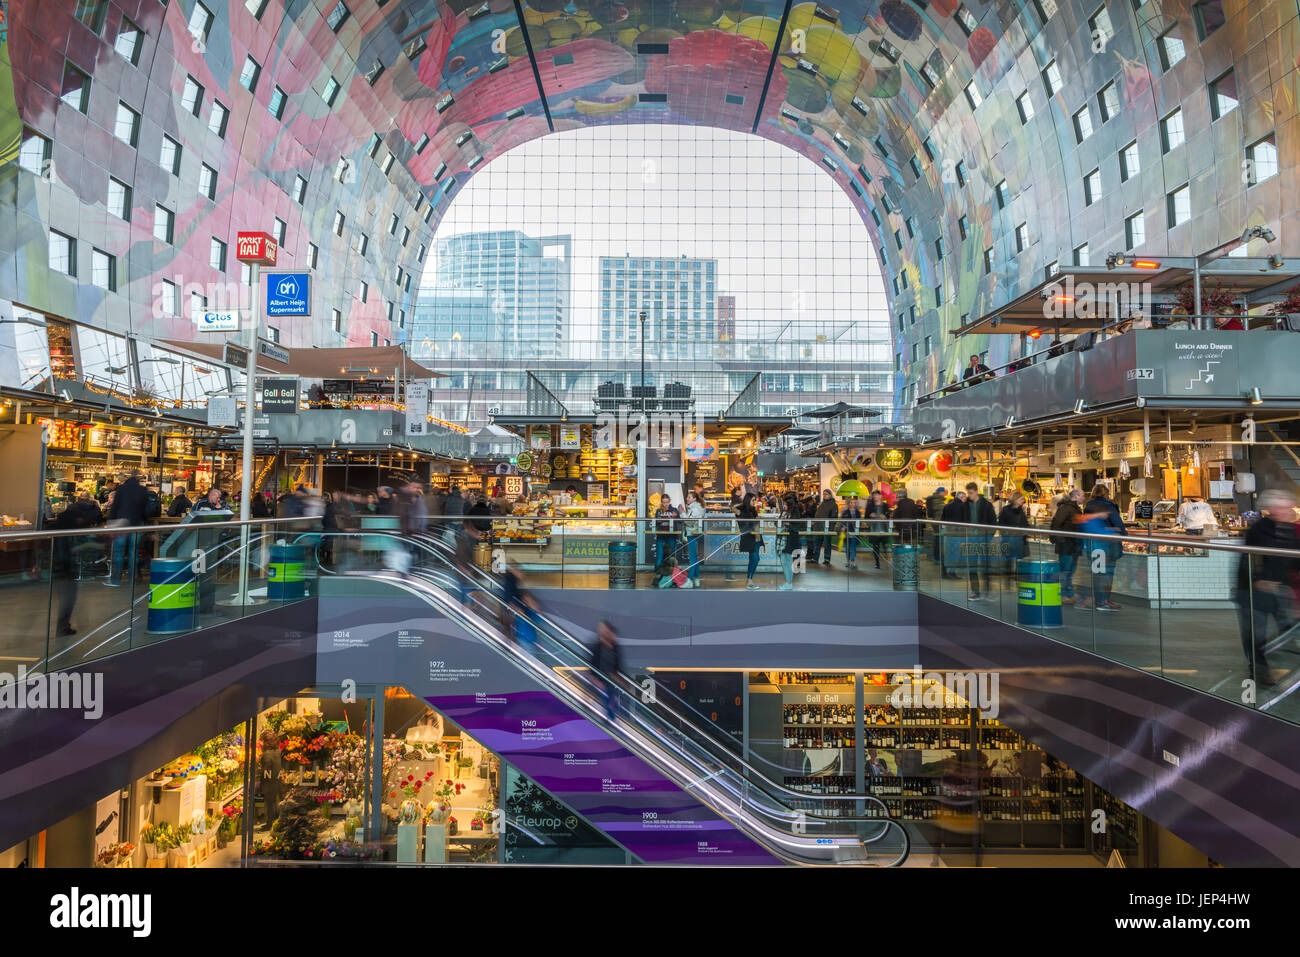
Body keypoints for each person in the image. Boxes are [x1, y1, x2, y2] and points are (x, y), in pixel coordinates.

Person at [1235, 490, 1299, 685]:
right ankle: (1259, 670)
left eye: (1288, 507)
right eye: (1281, 508)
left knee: (1287, 631)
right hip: (1253, 592)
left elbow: (1294, 564)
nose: (1286, 511)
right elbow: (1249, 561)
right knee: (1255, 633)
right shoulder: (1258, 530)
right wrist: (1257, 580)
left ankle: (1285, 672)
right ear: (1271, 509)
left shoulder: (1290, 531)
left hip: (1279, 591)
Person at [51, 491, 103, 637]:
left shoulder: (68, 514)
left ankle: (64, 625)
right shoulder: (77, 521)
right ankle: (62, 626)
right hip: (64, 564)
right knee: (69, 596)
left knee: (68, 595)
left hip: (61, 562)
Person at [1078, 483, 1126, 611]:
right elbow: (1119, 526)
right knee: (1107, 574)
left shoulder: (1088, 507)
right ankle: (1103, 601)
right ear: (1106, 494)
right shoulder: (1109, 507)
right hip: (1107, 546)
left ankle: (1098, 600)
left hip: (1092, 546)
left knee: (1097, 573)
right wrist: (1119, 532)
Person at [105, 470, 148, 587]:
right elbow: (145, 509)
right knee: (133, 554)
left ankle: (115, 580)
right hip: (137, 524)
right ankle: (132, 580)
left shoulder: (121, 489)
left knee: (118, 553)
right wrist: (143, 520)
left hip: (122, 524)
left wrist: (110, 521)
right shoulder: (143, 490)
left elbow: (115, 507)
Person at [959, 482, 997, 600]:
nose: (969, 495)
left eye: (971, 493)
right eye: (968, 493)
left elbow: (993, 522)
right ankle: (976, 592)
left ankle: (987, 591)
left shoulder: (986, 505)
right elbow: (962, 522)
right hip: (971, 539)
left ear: (976, 491)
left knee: (986, 566)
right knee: (972, 567)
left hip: (984, 539)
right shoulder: (965, 505)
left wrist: (989, 537)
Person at [1051, 489, 1085, 604]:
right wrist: (1061, 540)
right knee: (1066, 570)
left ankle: (1068, 593)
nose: (1084, 498)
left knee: (1069, 570)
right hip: (1067, 545)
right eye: (1082, 496)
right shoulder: (1066, 508)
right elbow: (1056, 523)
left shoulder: (1072, 508)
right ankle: (1064, 594)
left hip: (1072, 544)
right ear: (1076, 496)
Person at [591, 620, 624, 721]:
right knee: (606, 701)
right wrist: (593, 678)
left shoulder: (615, 648)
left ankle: (613, 719)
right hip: (601, 680)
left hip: (610, 680)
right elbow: (593, 663)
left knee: (613, 700)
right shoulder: (598, 646)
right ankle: (610, 719)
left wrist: (619, 679)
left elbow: (617, 666)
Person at [997, 491, 1031, 575]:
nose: (1023, 501)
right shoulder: (1006, 510)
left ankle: (1017, 574)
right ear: (1015, 500)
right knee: (1009, 558)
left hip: (1019, 538)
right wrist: (1005, 534)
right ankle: (1008, 574)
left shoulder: (1021, 510)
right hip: (1010, 538)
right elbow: (1001, 524)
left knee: (1018, 558)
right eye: (1021, 499)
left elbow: (1024, 523)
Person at [775, 495, 802, 590]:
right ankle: (788, 582)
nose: (784, 506)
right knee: (785, 561)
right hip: (783, 539)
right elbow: (777, 522)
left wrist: (787, 523)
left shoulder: (795, 513)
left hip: (790, 540)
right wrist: (782, 522)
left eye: (785, 504)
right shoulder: (784, 512)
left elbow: (797, 526)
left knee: (787, 561)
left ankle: (788, 582)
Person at [938, 490, 966, 579]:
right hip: (957, 534)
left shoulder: (947, 506)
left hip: (947, 533)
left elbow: (942, 520)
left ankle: (944, 573)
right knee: (955, 554)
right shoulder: (963, 506)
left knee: (946, 553)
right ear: (961, 497)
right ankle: (952, 573)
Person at [736, 492, 762, 589]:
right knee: (755, 558)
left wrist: (757, 534)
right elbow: (746, 523)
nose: (755, 502)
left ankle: (749, 580)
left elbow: (755, 523)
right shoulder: (741, 510)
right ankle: (749, 581)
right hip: (749, 536)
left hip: (756, 536)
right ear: (748, 500)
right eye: (753, 500)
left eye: (755, 500)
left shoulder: (753, 510)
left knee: (754, 558)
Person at [682, 489, 706, 588]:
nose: (687, 499)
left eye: (689, 497)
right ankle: (696, 578)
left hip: (692, 533)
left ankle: (689, 580)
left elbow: (690, 522)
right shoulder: (695, 507)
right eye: (687, 497)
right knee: (694, 557)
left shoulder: (695, 509)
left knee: (692, 558)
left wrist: (682, 513)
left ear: (694, 499)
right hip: (693, 533)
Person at [864, 489, 891, 570]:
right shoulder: (870, 506)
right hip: (873, 530)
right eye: (874, 495)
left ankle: (887, 560)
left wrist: (885, 517)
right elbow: (865, 517)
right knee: (875, 547)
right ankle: (877, 563)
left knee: (885, 546)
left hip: (884, 530)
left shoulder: (885, 506)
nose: (875, 496)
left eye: (877, 495)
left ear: (880, 496)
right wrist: (870, 515)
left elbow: (889, 516)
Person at [653, 496, 681, 570]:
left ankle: (671, 575)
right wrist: (665, 519)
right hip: (661, 535)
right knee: (660, 556)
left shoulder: (674, 510)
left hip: (671, 536)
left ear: (669, 502)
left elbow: (680, 520)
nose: (665, 504)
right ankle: (658, 575)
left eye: (667, 502)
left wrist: (674, 517)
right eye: (664, 502)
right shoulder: (658, 511)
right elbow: (656, 521)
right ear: (661, 502)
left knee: (671, 556)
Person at [814, 488, 839, 566]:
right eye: (823, 494)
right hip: (818, 527)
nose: (824, 495)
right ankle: (815, 558)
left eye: (826, 494)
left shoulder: (833, 505)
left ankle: (827, 559)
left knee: (827, 544)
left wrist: (830, 528)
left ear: (830, 495)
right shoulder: (821, 504)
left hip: (827, 528)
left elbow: (834, 518)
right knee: (817, 543)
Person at [839, 495, 864, 569]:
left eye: (854, 503)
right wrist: (843, 527)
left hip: (854, 532)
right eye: (851, 502)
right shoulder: (845, 512)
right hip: (847, 532)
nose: (852, 504)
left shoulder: (858, 512)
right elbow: (841, 522)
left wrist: (859, 527)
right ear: (848, 503)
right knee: (847, 547)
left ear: (856, 504)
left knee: (853, 547)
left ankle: (852, 561)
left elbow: (860, 522)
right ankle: (848, 561)